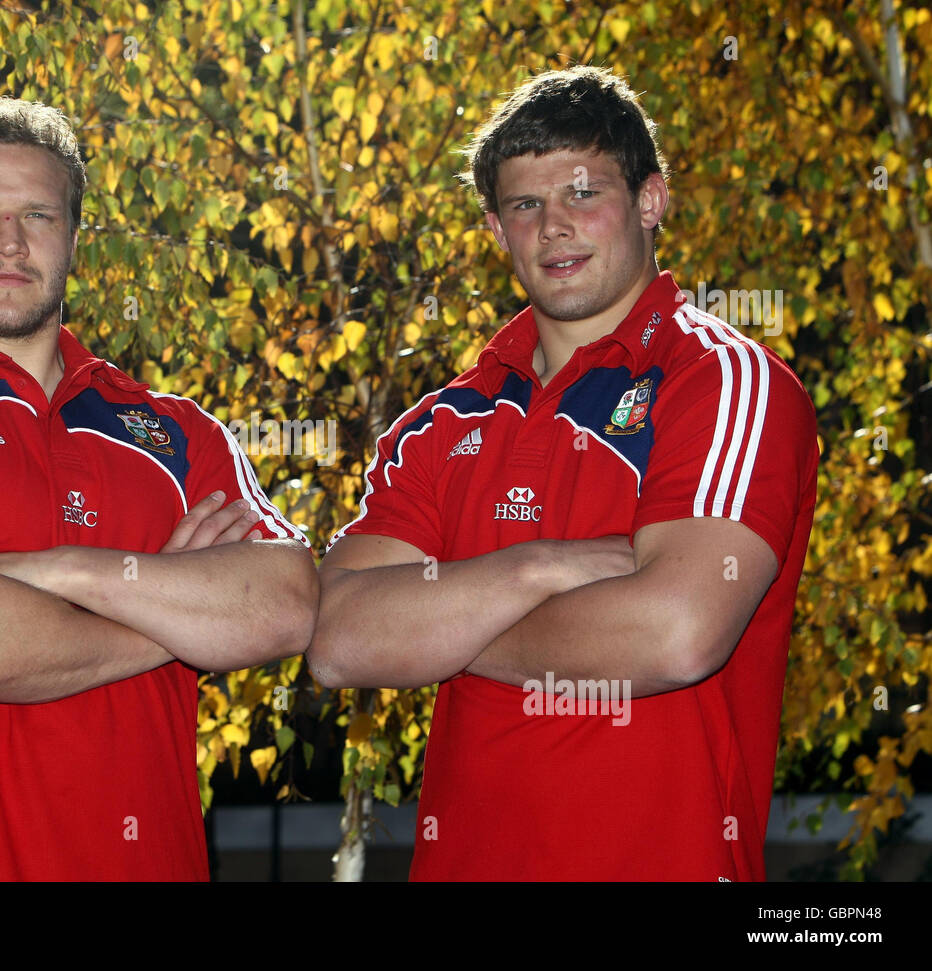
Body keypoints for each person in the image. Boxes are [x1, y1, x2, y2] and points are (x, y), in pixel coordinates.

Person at [307, 66, 818, 881]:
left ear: (651, 201)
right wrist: (539, 567)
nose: (553, 228)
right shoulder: (443, 423)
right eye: (525, 205)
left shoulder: (723, 382)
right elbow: (337, 641)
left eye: (582, 194)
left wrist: (439, 626)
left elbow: (676, 633)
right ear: (495, 228)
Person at [0, 94, 318, 881]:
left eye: (37, 214)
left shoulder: (174, 431)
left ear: (73, 238)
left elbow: (288, 603)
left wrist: (51, 569)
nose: (8, 242)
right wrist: (179, 611)